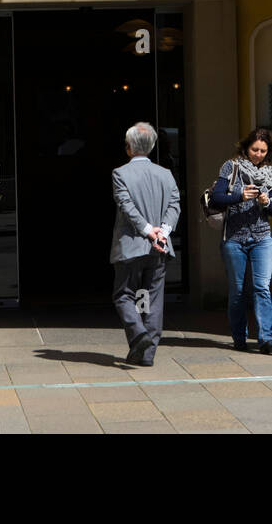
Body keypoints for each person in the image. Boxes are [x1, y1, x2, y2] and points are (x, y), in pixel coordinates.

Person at [110, 121, 181, 366]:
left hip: (131, 244)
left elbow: (126, 206)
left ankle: (138, 335)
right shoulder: (165, 174)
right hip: (159, 246)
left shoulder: (120, 173)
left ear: (129, 147)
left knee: (123, 294)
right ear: (151, 147)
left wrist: (148, 230)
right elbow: (175, 206)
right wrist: (163, 232)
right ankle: (147, 354)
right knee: (153, 298)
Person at [208, 126, 272, 354]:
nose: (258, 154)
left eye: (262, 151)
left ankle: (266, 339)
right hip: (234, 238)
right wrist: (239, 196)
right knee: (238, 290)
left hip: (261, 238)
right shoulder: (232, 167)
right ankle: (239, 337)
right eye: (254, 149)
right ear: (246, 147)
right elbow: (217, 197)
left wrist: (265, 201)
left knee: (262, 287)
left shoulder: (271, 174)